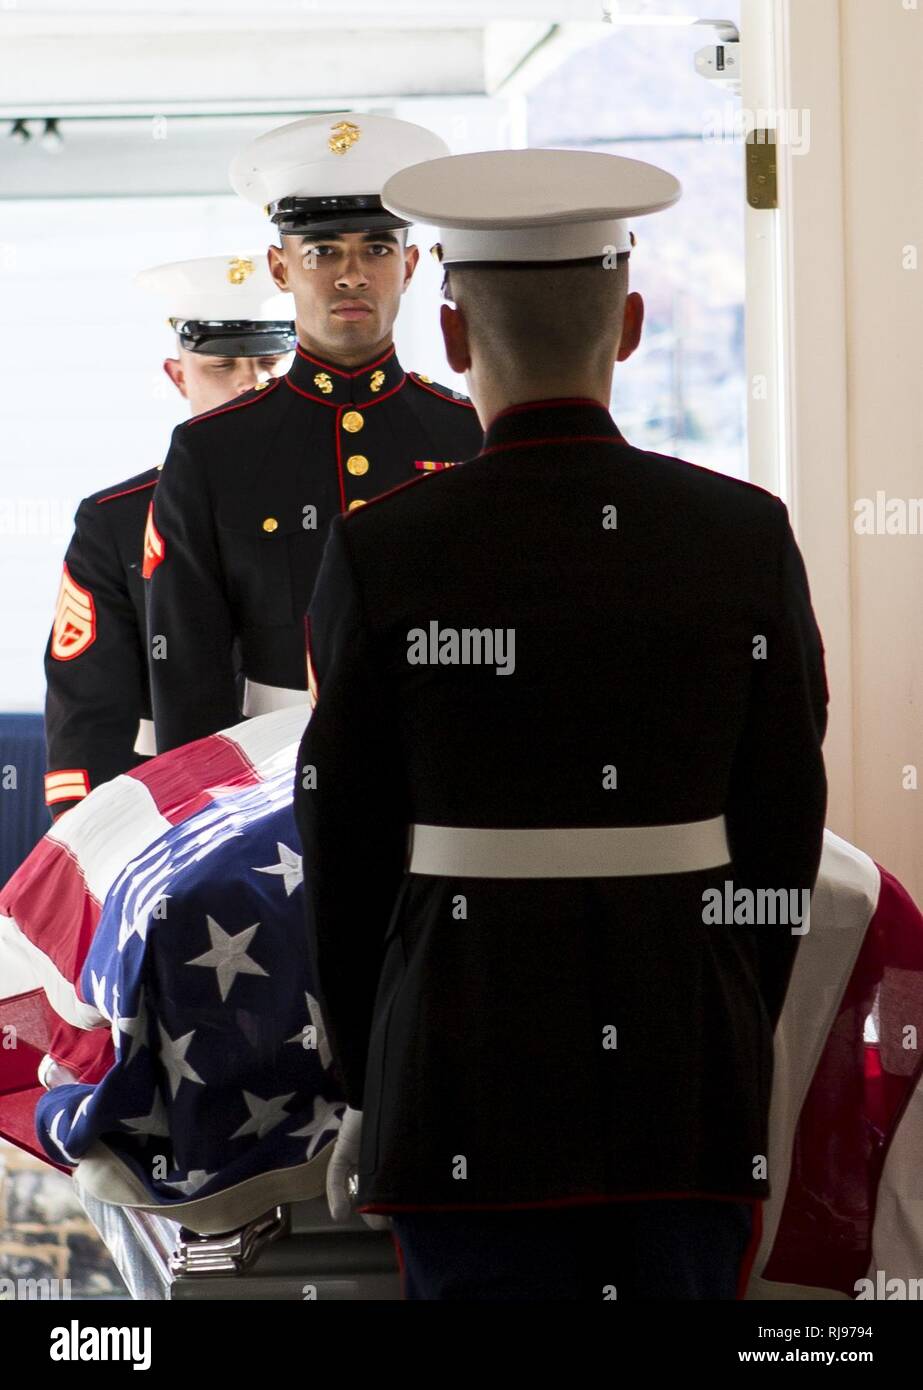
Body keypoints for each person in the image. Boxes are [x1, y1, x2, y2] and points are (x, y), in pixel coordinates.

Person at [294, 148, 829, 1300]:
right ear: (628, 323)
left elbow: (341, 835)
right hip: (685, 1062)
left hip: (459, 1056)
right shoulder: (741, 534)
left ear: (448, 336)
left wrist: (362, 1068)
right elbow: (786, 809)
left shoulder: (380, 548)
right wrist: (728, 1010)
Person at [146, 114, 483, 753]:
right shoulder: (212, 451)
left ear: (410, 265)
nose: (351, 274)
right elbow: (189, 661)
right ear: (280, 268)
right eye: (322, 251)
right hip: (271, 770)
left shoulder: (470, 434)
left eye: (377, 249)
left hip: (447, 757)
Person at [42, 255, 294, 817]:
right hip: (167, 812)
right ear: (178, 376)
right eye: (222, 366)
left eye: (272, 364)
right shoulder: (116, 521)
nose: (250, 383)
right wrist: (93, 844)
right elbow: (89, 708)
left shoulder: (357, 502)